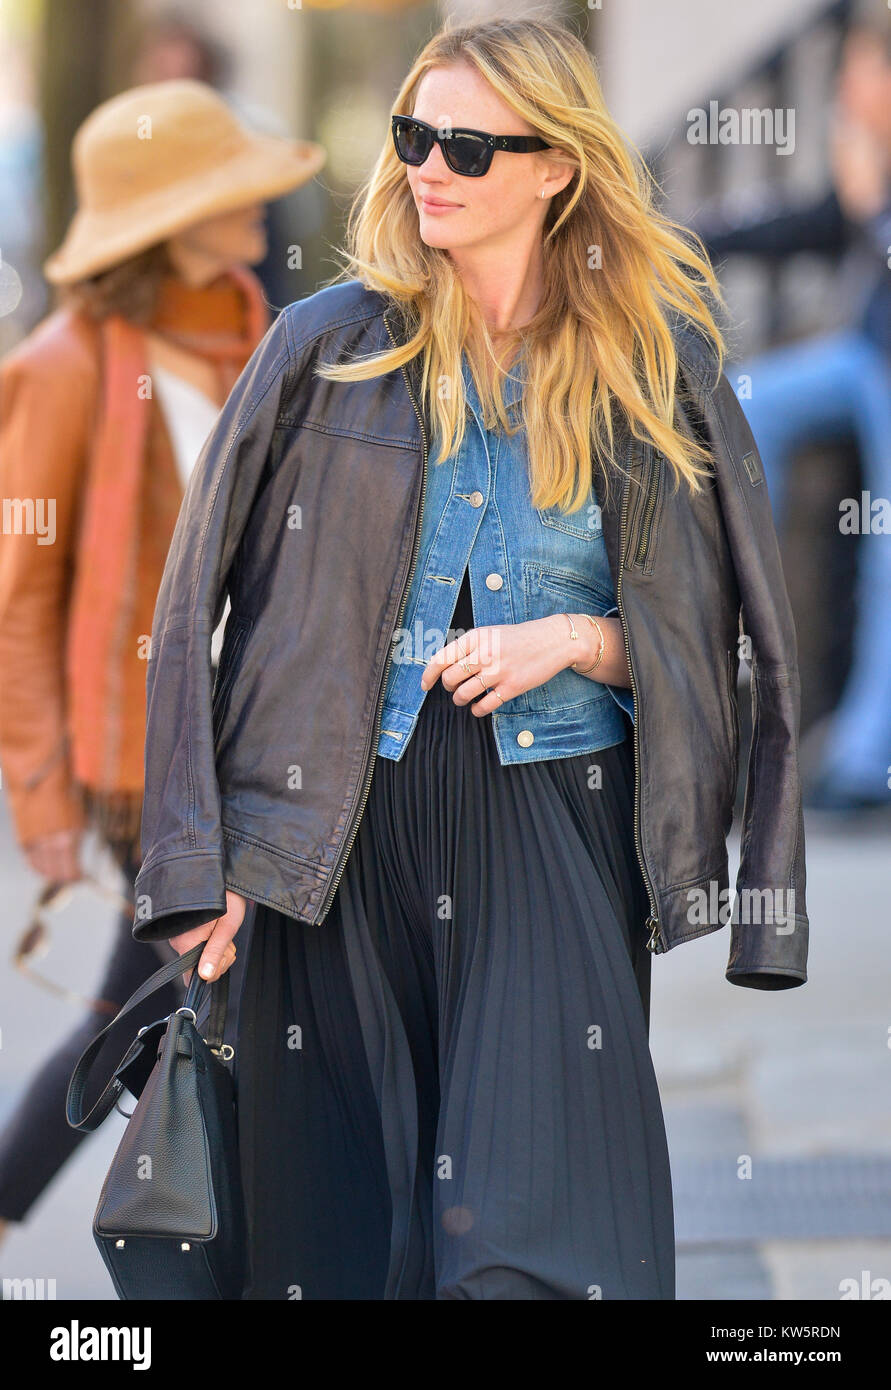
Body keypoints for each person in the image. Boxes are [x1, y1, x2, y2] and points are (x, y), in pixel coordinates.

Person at [132, 16, 809, 1300]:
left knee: (537, 1254)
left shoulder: (655, 364)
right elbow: (190, 605)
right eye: (411, 137)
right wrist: (197, 857)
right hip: (338, 835)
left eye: (465, 145)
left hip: (557, 821)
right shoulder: (325, 348)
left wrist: (577, 636)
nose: (427, 167)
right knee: (342, 1248)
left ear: (557, 165)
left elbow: (722, 634)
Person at [0, 79, 325, 1242]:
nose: (259, 205)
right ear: (164, 216)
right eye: (228, 187)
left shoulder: (263, 330)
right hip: (146, 751)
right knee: (155, 993)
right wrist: (41, 792)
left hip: (270, 732)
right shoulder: (63, 366)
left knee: (179, 996)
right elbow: (20, 597)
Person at [692, 15, 891, 812]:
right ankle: (735, 558)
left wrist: (873, 208)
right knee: (743, 404)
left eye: (857, 75)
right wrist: (701, 235)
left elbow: (863, 229)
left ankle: (862, 755)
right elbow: (811, 224)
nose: (844, 93)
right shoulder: (869, 165)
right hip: (862, 359)